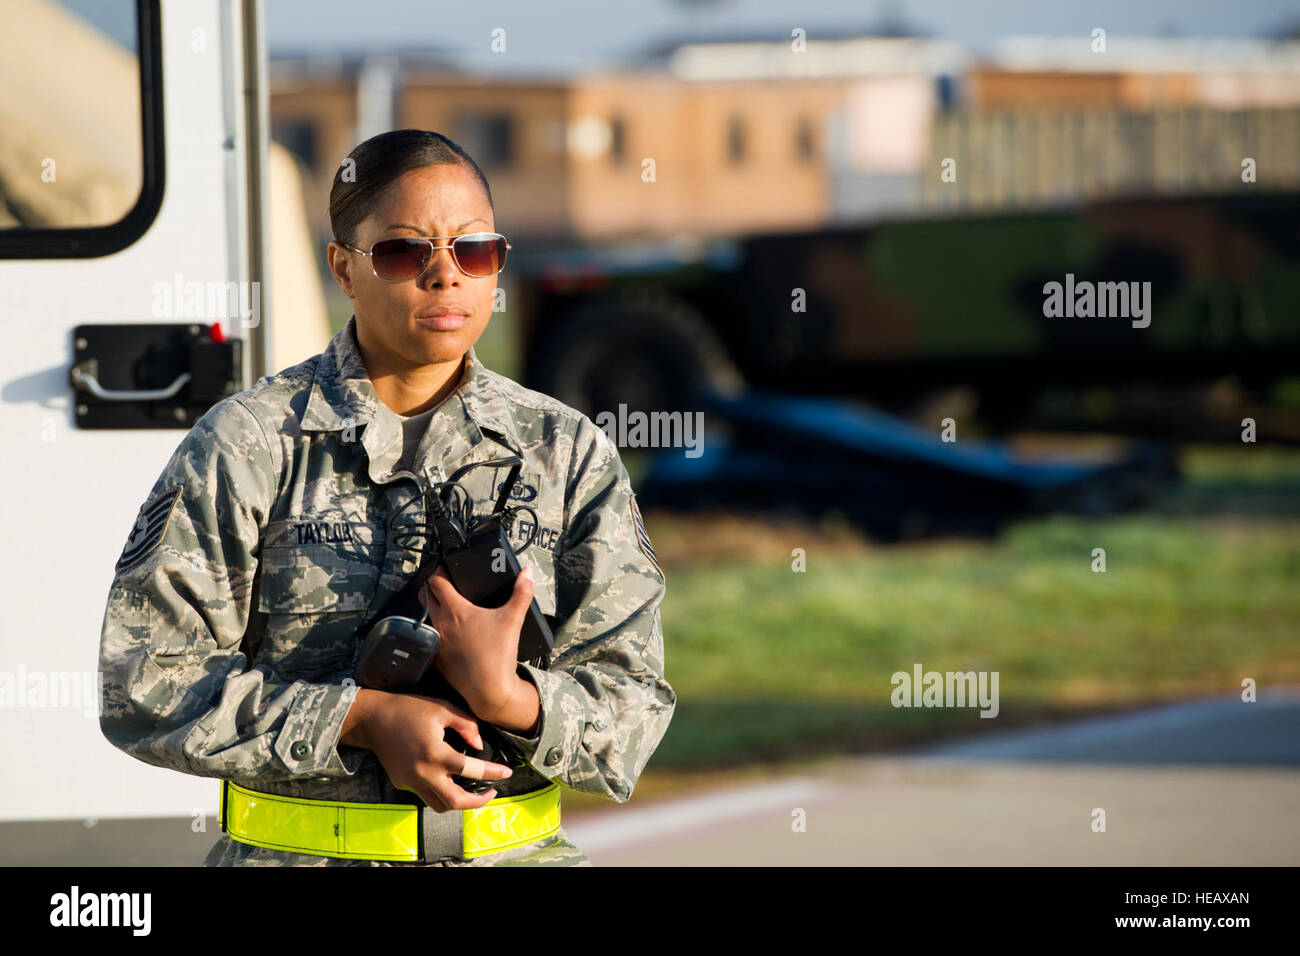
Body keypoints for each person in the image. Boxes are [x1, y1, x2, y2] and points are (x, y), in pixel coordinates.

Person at [97, 129, 675, 866]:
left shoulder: (565, 451)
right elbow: (143, 685)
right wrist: (360, 718)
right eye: (405, 253)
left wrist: (508, 698)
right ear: (342, 267)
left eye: (473, 250)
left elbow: (634, 712)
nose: (446, 277)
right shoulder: (249, 444)